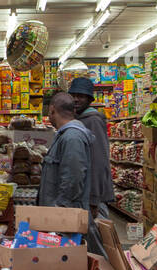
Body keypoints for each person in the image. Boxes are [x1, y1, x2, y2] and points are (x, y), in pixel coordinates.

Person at [38, 91, 102, 254]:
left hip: (66, 221)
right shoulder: (65, 135)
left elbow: (73, 179)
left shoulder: (72, 137)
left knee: (74, 263)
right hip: (61, 218)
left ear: (52, 109)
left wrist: (60, 215)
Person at [68, 77, 115, 224]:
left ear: (89, 99)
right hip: (84, 194)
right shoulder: (78, 119)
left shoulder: (93, 120)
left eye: (80, 96)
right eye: (73, 96)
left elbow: (98, 161)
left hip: (93, 196)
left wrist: (94, 199)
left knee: (97, 239)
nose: (76, 100)